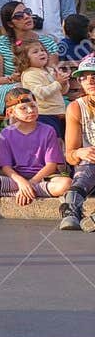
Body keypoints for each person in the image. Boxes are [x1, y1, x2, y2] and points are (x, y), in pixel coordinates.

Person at [0, 87, 75, 225]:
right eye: (23, 108)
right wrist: (22, 182)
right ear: (11, 112)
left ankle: (24, 191)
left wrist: (30, 183)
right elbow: (4, 167)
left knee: (65, 184)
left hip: (42, 179)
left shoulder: (48, 130)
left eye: (33, 106)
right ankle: (25, 190)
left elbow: (51, 165)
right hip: (17, 180)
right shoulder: (6, 133)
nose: (31, 110)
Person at [0, 0, 63, 115]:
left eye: (27, 12)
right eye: (19, 16)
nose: (26, 16)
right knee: (21, 92)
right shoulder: (0, 43)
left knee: (36, 94)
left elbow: (52, 75)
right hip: (7, 89)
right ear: (10, 23)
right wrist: (12, 79)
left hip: (41, 88)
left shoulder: (48, 42)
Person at [61, 58, 95, 233]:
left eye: (94, 75)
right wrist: (80, 152)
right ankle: (71, 210)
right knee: (85, 169)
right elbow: (69, 154)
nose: (89, 81)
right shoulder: (76, 107)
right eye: (83, 77)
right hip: (92, 165)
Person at [15, 39, 68, 121]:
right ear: (25, 58)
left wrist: (64, 83)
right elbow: (40, 94)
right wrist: (58, 83)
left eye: (43, 50)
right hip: (44, 114)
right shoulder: (29, 74)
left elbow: (62, 92)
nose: (41, 53)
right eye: (35, 52)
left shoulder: (49, 70)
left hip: (59, 112)